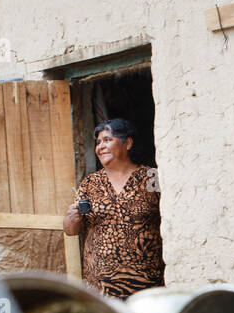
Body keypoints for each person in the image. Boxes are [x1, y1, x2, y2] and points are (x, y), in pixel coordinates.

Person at [62, 118, 164, 299]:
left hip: (146, 281)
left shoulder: (151, 178)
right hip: (100, 283)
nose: (101, 146)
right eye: (98, 142)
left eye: (107, 140)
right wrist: (71, 217)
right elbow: (71, 231)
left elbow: (170, 219)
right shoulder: (90, 183)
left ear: (128, 143)